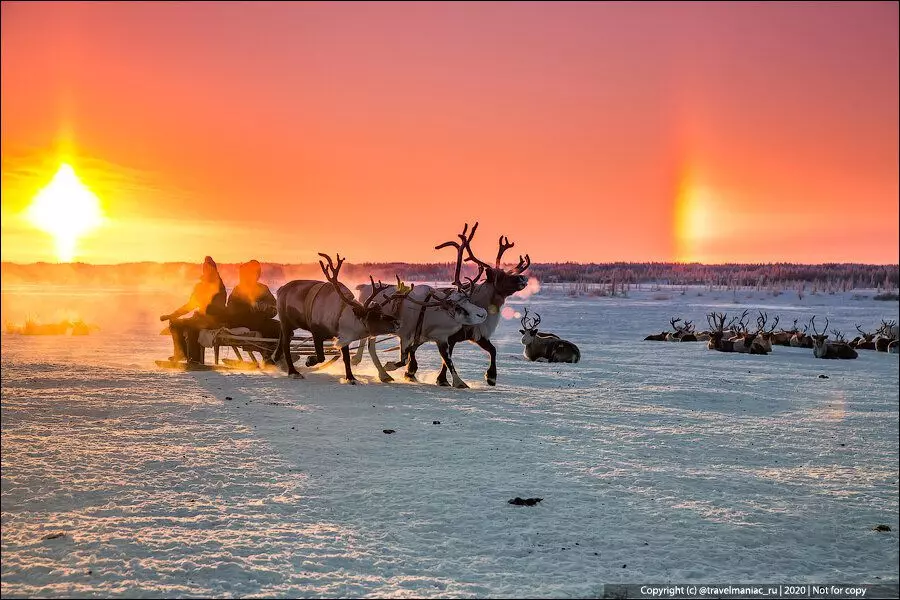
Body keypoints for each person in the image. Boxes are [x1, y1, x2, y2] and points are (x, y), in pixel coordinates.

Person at [160, 256, 227, 363]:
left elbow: (219, 306)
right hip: (199, 318)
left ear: (214, 269)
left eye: (210, 268)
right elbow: (190, 305)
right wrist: (173, 315)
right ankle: (180, 353)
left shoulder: (219, 286)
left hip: (214, 320)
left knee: (193, 327)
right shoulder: (200, 286)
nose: (207, 271)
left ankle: (195, 359)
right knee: (175, 324)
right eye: (205, 268)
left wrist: (206, 308)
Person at [226, 259, 280, 341]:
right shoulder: (238, 290)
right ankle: (271, 351)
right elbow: (231, 310)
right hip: (243, 323)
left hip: (260, 322)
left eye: (257, 273)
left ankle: (273, 351)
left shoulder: (263, 289)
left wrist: (263, 307)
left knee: (281, 329)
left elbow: (274, 309)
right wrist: (249, 307)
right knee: (275, 328)